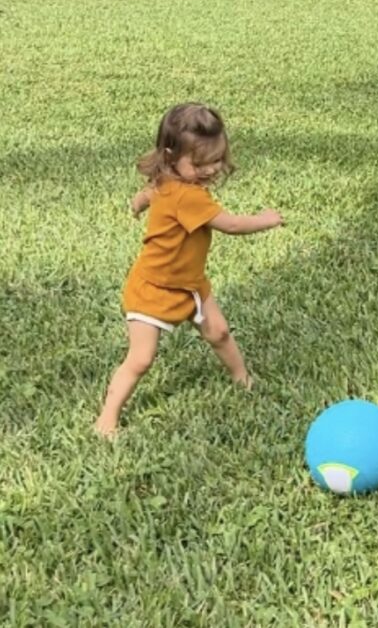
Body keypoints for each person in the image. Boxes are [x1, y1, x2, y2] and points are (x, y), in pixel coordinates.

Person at [95, 103, 283, 437]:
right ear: (170, 157)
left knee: (220, 333)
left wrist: (137, 203)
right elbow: (233, 225)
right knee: (140, 359)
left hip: (191, 285)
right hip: (154, 290)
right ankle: (106, 419)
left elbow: (151, 193)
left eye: (217, 159)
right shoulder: (187, 196)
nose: (211, 169)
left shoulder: (169, 181)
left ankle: (243, 380)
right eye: (200, 163)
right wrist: (267, 219)